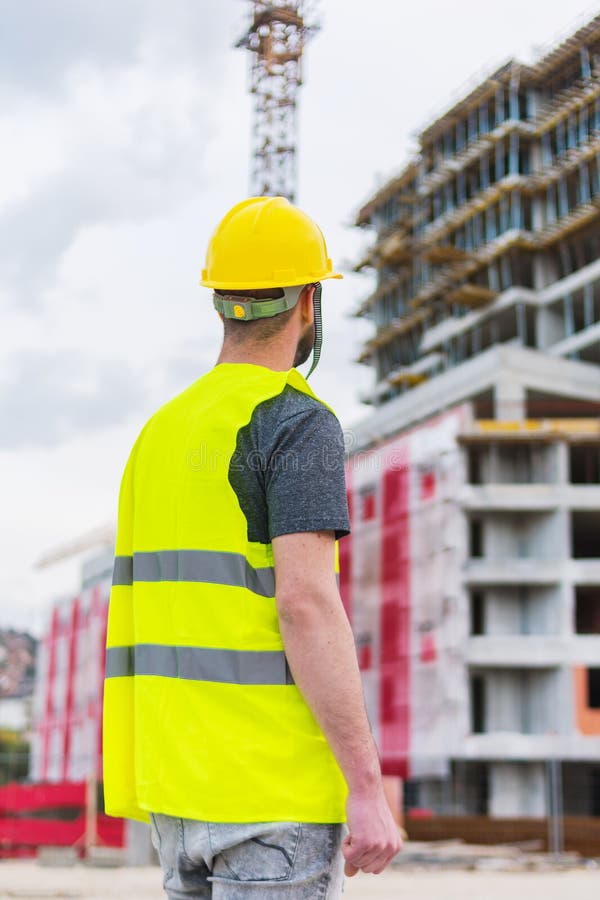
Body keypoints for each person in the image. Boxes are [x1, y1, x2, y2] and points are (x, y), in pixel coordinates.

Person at [102, 196, 402, 898]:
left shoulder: (160, 433)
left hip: (176, 793)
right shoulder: (295, 422)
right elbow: (306, 604)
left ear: (219, 304)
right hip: (272, 796)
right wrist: (366, 785)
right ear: (308, 302)